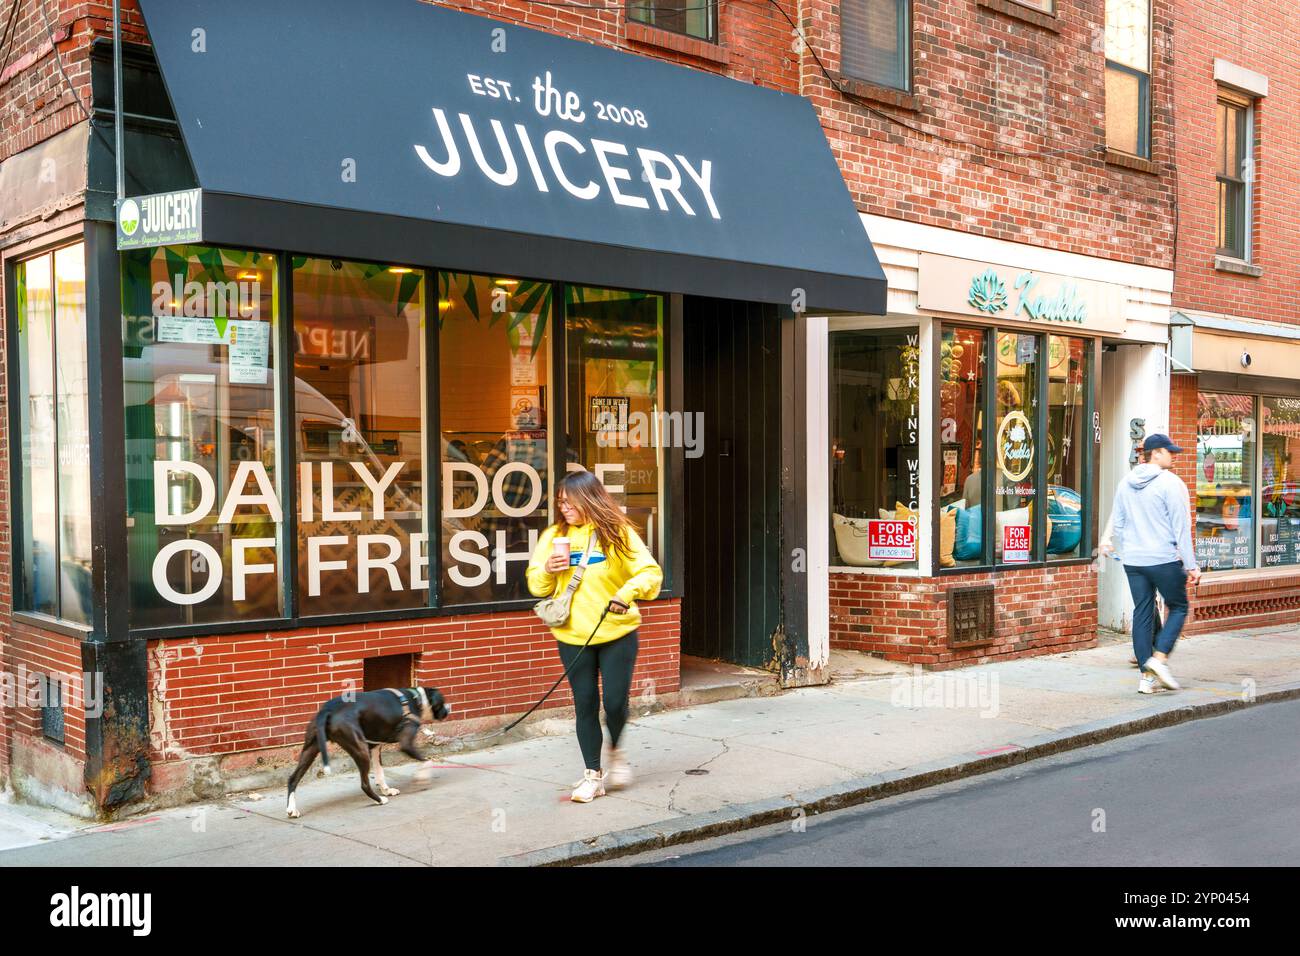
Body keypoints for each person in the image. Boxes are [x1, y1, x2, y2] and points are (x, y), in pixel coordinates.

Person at [526, 470, 663, 803]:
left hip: (617, 632)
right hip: (573, 635)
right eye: (560, 502)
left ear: (588, 499)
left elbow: (650, 572)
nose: (564, 508)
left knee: (615, 703)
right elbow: (536, 585)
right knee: (584, 704)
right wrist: (548, 570)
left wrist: (626, 592)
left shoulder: (618, 533)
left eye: (569, 501)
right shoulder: (553, 536)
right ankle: (593, 775)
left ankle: (615, 751)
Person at [1106, 434, 1201, 693]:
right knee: (1179, 606)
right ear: (1155, 453)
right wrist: (1191, 565)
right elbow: (1181, 528)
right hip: (1163, 559)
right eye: (1169, 451)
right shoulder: (1172, 483)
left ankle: (1146, 679)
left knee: (1143, 612)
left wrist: (1125, 548)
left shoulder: (1126, 482)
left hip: (1134, 561)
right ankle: (1159, 659)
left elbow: (1120, 523)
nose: (1173, 456)